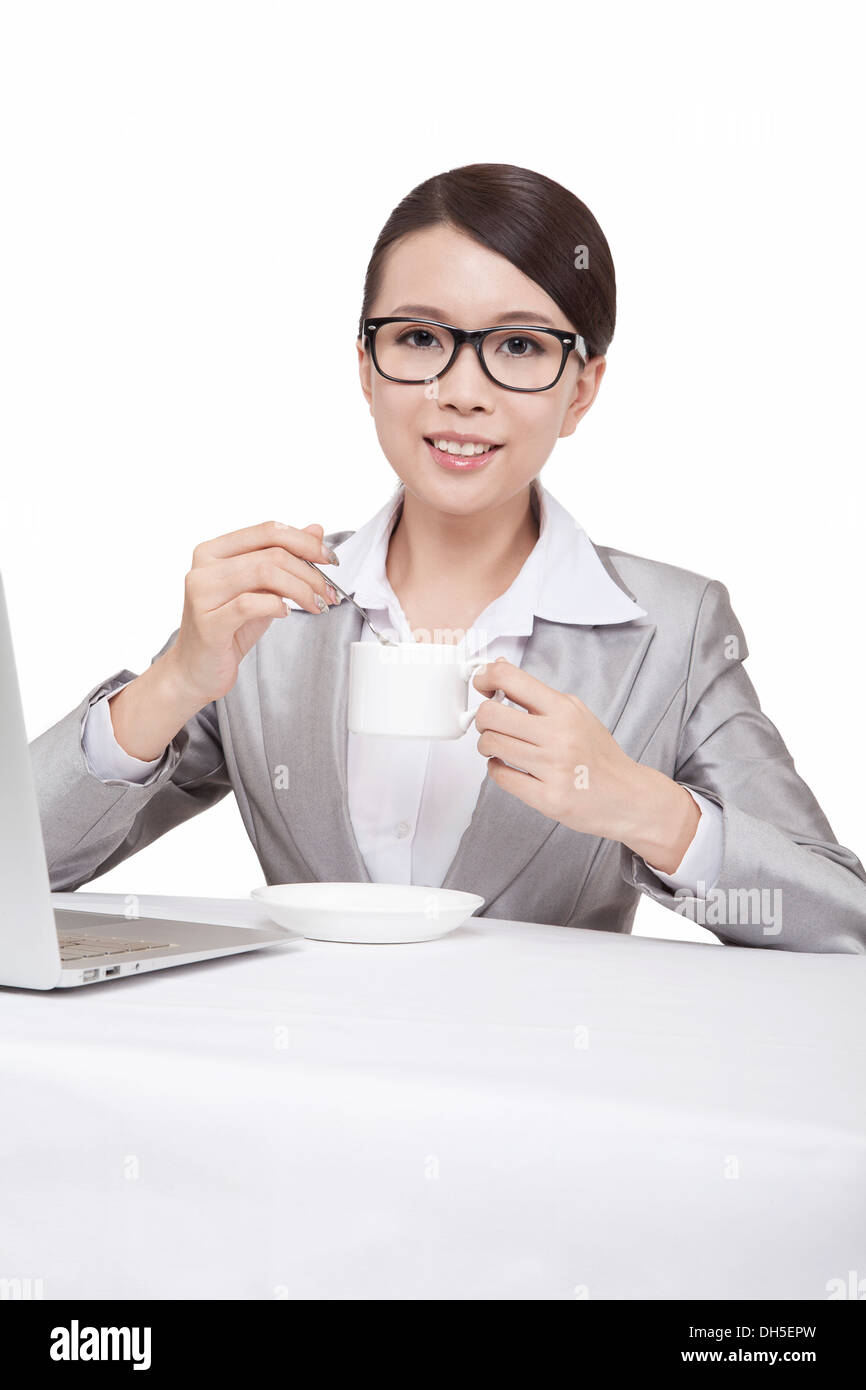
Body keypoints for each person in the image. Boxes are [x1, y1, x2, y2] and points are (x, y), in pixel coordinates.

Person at [30, 163, 866, 951]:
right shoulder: (270, 610)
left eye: (520, 347)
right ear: (366, 367)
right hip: (299, 1083)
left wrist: (649, 809)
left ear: (581, 389)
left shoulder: (673, 632)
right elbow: (18, 876)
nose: (462, 390)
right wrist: (173, 681)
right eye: (421, 338)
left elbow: (843, 923)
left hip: (551, 1092)